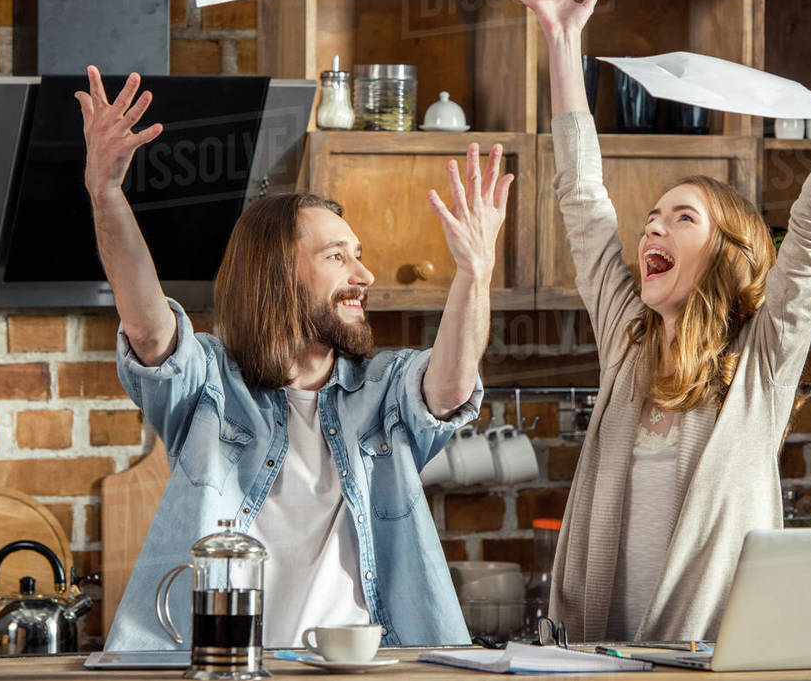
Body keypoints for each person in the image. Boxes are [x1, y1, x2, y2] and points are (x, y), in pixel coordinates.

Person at [514, 0, 811, 643]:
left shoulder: (761, 366)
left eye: (681, 217)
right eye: (652, 217)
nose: (652, 228)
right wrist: (564, 45)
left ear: (726, 252)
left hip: (712, 666)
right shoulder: (626, 345)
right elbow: (583, 197)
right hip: (595, 663)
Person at [76, 66, 513, 650]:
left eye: (359, 255)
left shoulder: (384, 390)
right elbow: (149, 328)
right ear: (280, 276)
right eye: (338, 257)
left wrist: (475, 270)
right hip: (229, 665)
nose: (365, 275)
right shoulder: (210, 386)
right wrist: (105, 192)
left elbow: (452, 387)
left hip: (366, 668)